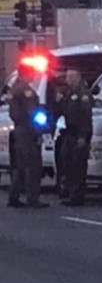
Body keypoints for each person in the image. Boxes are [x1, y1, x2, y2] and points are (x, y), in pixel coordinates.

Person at [7, 80, 46, 208]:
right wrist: (40, 129)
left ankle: (14, 196)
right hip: (28, 130)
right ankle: (32, 198)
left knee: (20, 165)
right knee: (33, 164)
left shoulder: (14, 88)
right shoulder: (26, 90)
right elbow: (33, 111)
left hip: (18, 129)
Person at [58, 69, 93, 206]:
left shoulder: (83, 94)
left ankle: (77, 196)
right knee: (68, 163)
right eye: (67, 76)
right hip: (70, 133)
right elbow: (62, 111)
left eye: (72, 76)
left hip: (79, 133)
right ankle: (70, 192)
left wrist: (83, 136)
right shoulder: (68, 93)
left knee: (78, 165)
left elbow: (86, 117)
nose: (69, 79)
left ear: (78, 77)